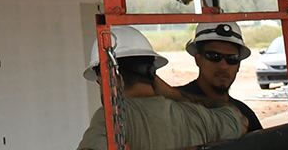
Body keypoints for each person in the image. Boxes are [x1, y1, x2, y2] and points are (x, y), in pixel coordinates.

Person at [78, 25, 246, 150]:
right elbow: (241, 120)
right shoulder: (196, 115)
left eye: (99, 83)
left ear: (111, 78)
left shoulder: (112, 117)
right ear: (152, 72)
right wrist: (175, 94)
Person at [178, 21, 262, 133]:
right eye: (214, 56)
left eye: (232, 58)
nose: (223, 66)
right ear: (198, 59)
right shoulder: (174, 105)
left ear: (238, 66)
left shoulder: (246, 113)